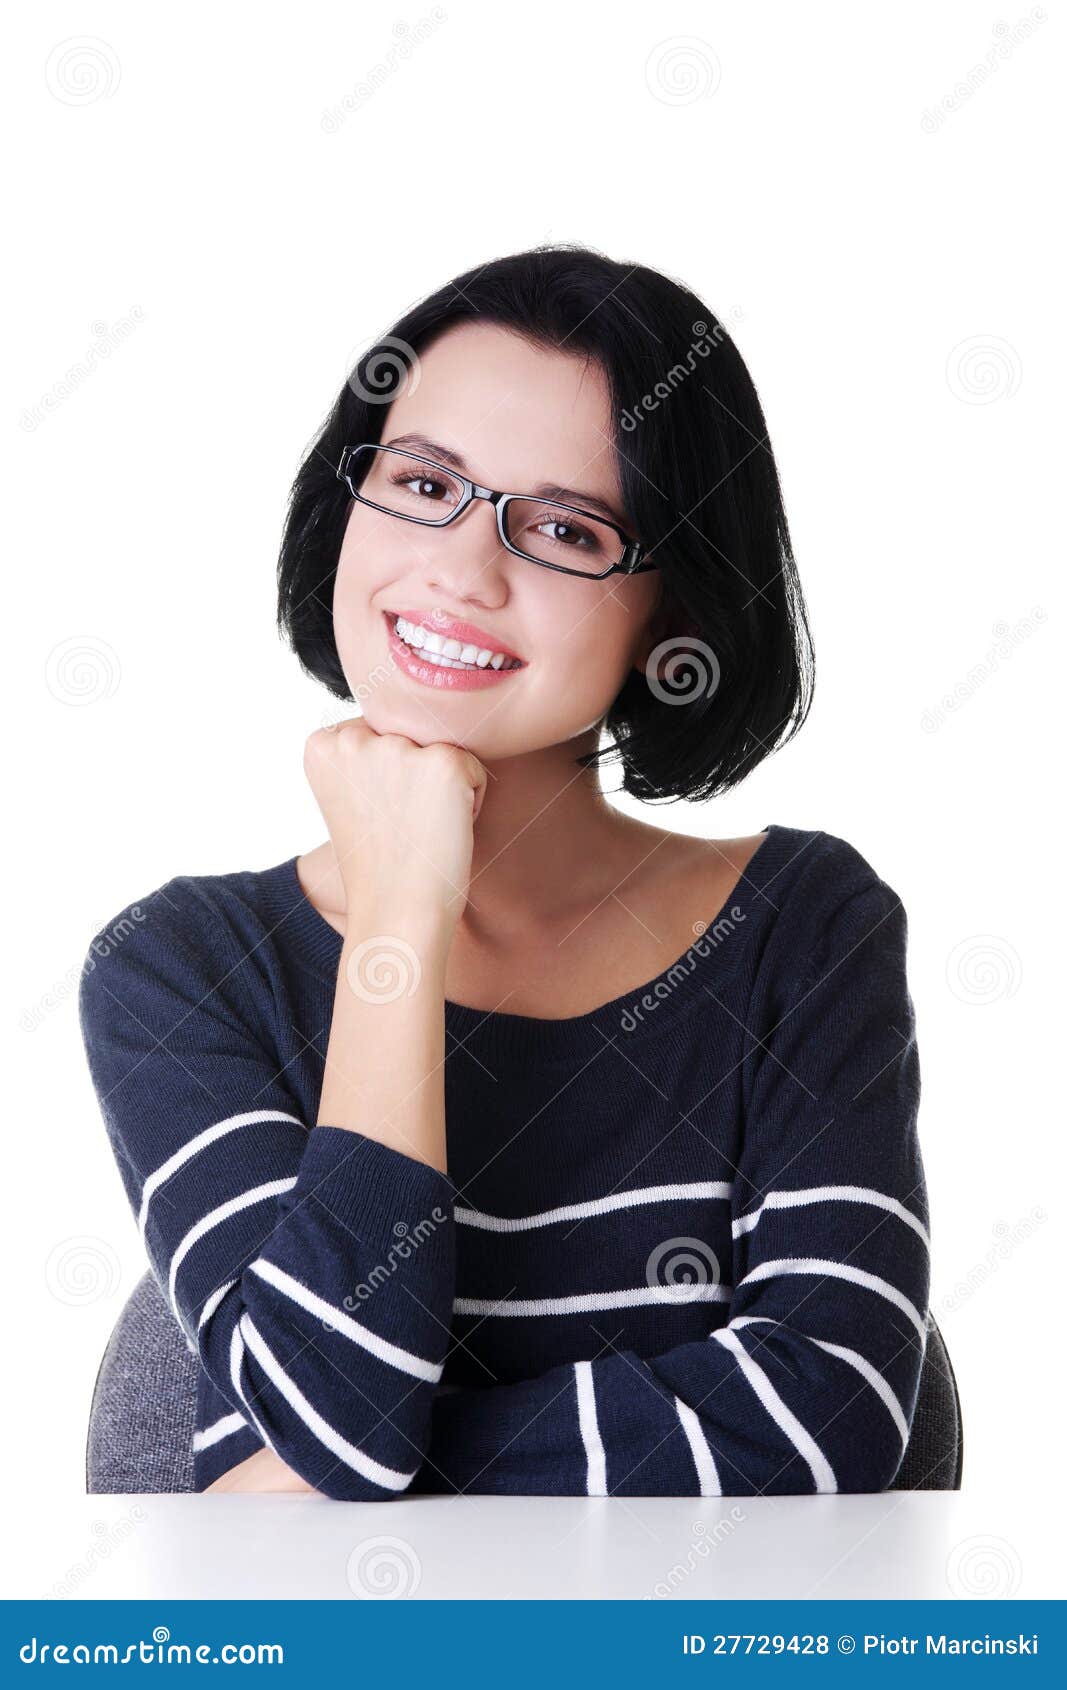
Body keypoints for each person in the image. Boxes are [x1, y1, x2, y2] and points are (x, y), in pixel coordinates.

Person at [79, 245, 931, 1498]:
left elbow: (829, 1423)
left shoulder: (803, 930)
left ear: (671, 614)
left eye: (564, 528)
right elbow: (333, 1417)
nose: (463, 572)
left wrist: (349, 1467)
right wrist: (399, 917)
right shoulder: (182, 967)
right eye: (423, 482)